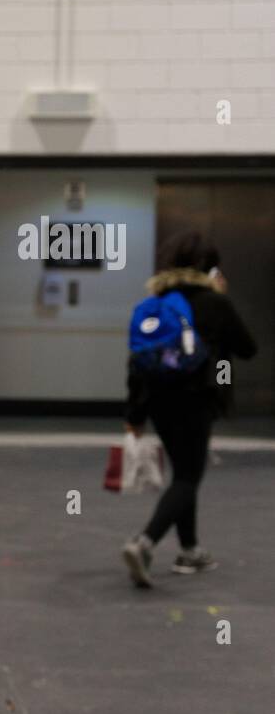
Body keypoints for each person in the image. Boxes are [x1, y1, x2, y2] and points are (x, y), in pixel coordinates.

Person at [121, 231, 258, 588]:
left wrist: (135, 416)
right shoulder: (214, 303)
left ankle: (190, 550)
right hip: (197, 400)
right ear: (210, 268)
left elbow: (137, 362)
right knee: (188, 476)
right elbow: (247, 348)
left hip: (159, 402)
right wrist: (222, 302)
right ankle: (144, 542)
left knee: (184, 471)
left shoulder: (158, 301)